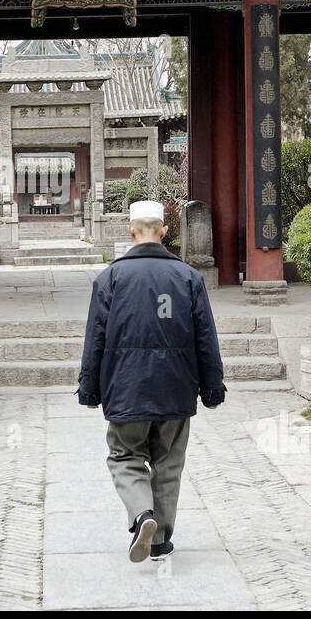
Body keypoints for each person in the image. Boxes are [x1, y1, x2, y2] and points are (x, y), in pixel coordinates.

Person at [77, 199, 226, 563]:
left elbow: (95, 337)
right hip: (175, 388)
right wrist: (212, 387)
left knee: (125, 455)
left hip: (126, 388)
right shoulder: (189, 277)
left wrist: (89, 388)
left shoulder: (110, 277)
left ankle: (142, 514)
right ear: (163, 232)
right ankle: (159, 542)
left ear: (131, 231)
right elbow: (205, 337)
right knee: (168, 464)